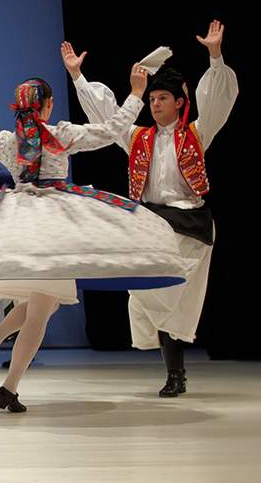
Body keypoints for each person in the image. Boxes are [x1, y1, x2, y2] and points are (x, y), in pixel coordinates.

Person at [0, 68, 195, 412]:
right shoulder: (61, 134)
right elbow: (111, 130)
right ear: (46, 107)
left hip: (22, 227)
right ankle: (8, 387)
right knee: (43, 308)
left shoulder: (8, 140)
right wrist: (135, 94)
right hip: (53, 227)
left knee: (46, 301)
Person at [63, 20, 237, 397]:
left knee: (167, 296)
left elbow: (219, 100)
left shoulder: (196, 132)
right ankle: (175, 373)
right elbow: (107, 120)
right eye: (152, 99)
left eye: (162, 99)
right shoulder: (138, 137)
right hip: (154, 224)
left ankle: (176, 373)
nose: (155, 105)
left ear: (179, 102)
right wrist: (78, 76)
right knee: (147, 291)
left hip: (189, 225)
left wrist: (215, 54)